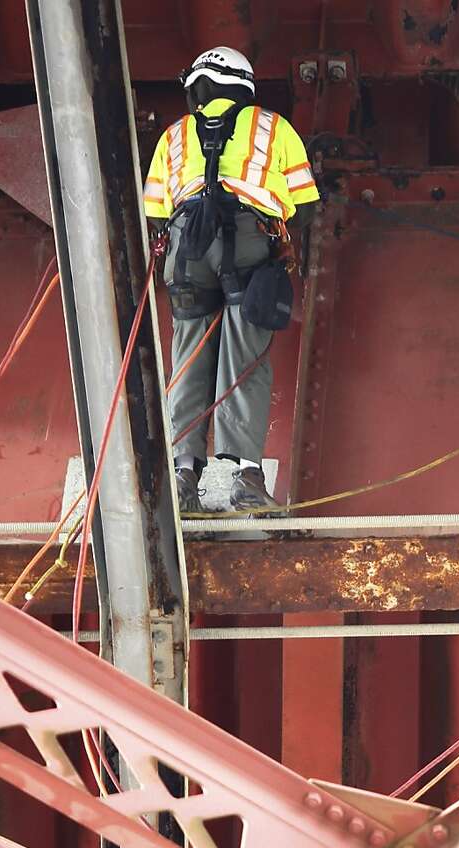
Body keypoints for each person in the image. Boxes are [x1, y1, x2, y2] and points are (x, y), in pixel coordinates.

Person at [143, 46, 319, 516]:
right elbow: (305, 204)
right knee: (245, 358)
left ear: (197, 89)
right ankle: (246, 479)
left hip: (187, 247)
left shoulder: (173, 136)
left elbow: (155, 211)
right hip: (248, 242)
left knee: (188, 356)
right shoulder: (273, 127)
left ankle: (183, 478)